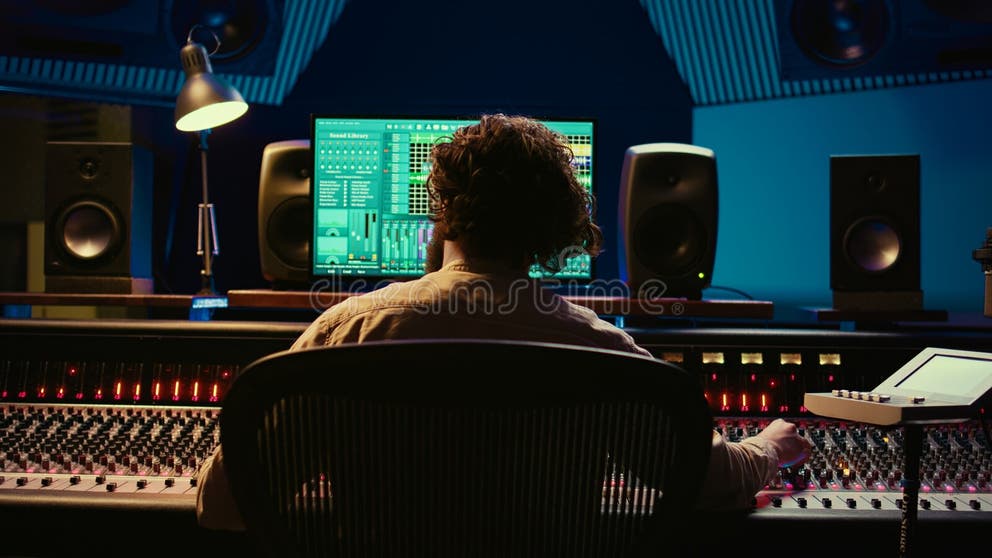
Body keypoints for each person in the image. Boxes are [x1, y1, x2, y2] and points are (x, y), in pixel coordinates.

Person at [195, 113, 811, 531]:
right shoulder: (604, 351)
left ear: (441, 210)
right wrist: (766, 448)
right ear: (556, 229)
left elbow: (223, 503)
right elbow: (708, 485)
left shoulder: (348, 329)